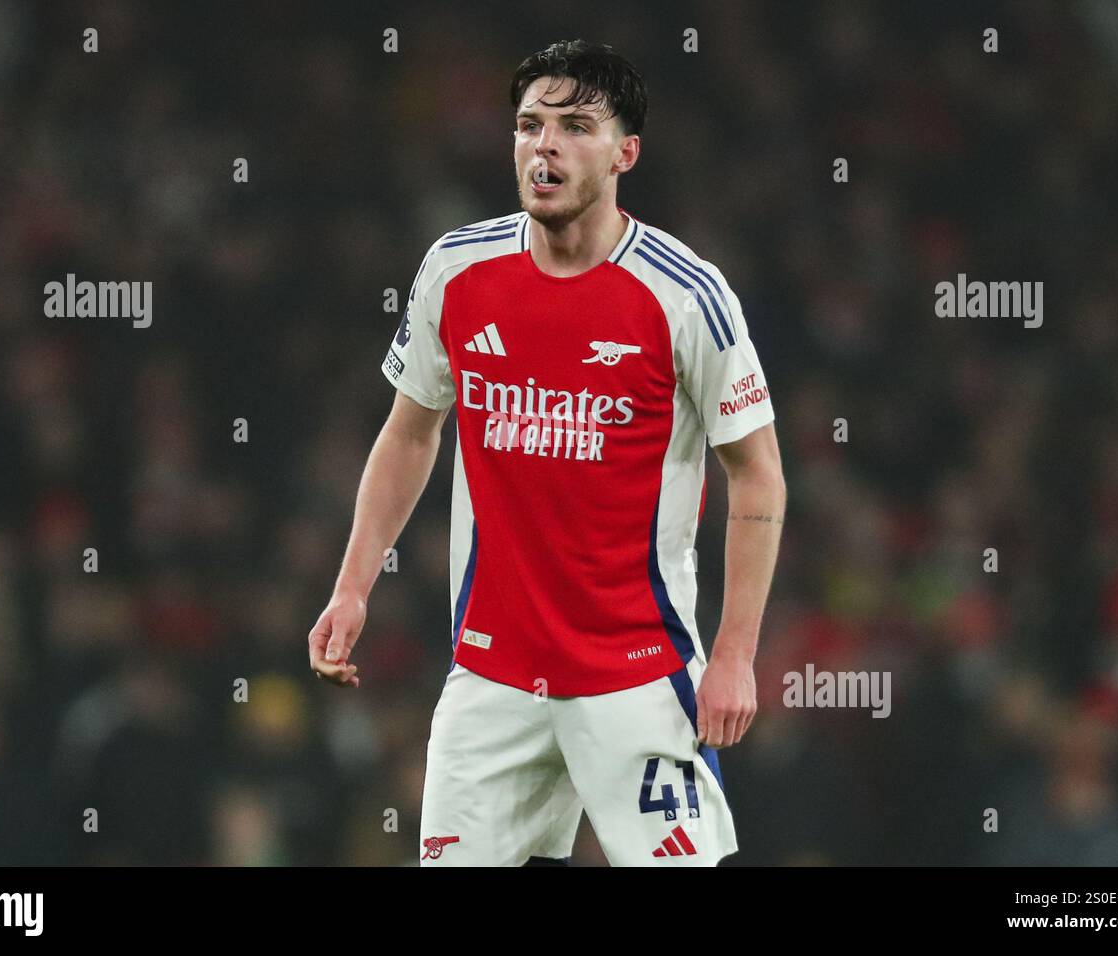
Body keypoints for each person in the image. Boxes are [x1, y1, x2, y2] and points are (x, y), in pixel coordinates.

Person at [308, 39, 786, 866]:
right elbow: (410, 430)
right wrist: (353, 588)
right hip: (491, 674)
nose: (545, 146)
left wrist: (736, 655)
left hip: (637, 674)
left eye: (575, 126)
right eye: (529, 125)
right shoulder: (456, 270)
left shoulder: (687, 297)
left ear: (625, 152)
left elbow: (758, 475)